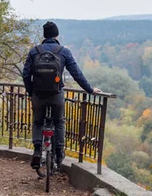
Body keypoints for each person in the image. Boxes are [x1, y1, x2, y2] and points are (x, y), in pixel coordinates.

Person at [21, 21, 99, 173]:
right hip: (56, 95)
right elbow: (77, 74)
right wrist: (89, 89)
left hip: (38, 95)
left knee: (37, 122)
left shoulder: (34, 51)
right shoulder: (63, 51)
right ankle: (59, 153)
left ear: (44, 36)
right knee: (59, 122)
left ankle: (37, 151)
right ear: (57, 35)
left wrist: (32, 92)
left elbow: (25, 75)